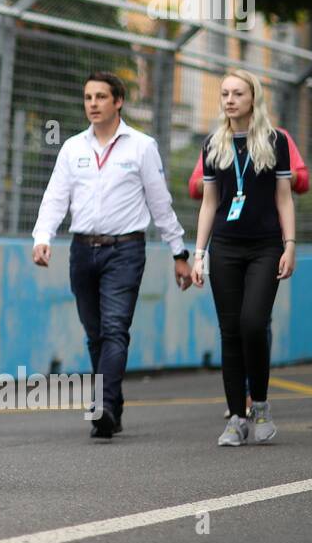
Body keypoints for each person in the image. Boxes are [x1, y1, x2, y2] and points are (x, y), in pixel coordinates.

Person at [31, 71, 191, 439]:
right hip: (82, 250)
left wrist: (178, 251)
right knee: (95, 334)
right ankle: (112, 406)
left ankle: (102, 403)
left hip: (125, 250)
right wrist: (43, 237)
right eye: (88, 97)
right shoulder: (73, 148)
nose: (93, 104)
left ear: (118, 101)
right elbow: (56, 197)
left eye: (101, 97)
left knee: (115, 328)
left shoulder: (141, 146)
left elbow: (160, 202)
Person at [190, 69, 296, 446]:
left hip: (265, 246)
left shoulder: (275, 141)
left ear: (254, 97)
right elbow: (209, 204)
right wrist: (198, 254)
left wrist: (290, 243)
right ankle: (236, 417)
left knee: (254, 323)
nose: (230, 99)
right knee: (230, 331)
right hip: (226, 248)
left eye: (238, 93)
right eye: (225, 94)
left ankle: (261, 405)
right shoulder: (213, 144)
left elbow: (284, 197)